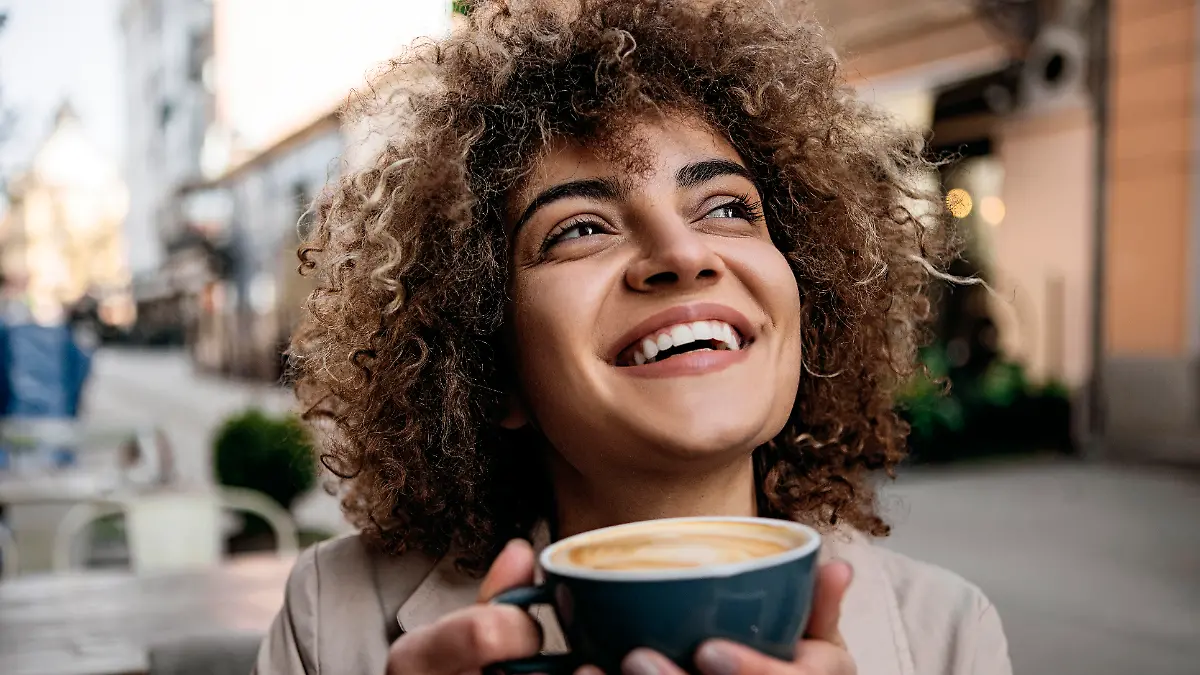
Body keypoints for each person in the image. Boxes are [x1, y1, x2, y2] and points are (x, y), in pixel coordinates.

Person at [256, 1, 1012, 674]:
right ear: (491, 363)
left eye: (726, 208)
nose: (684, 255)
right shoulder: (331, 621)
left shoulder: (947, 637)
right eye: (579, 229)